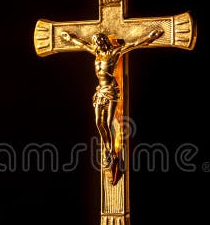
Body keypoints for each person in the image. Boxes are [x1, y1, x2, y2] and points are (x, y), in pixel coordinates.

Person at [60, 29, 163, 183]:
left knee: (108, 122)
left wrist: (149, 37)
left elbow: (133, 44)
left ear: (103, 41)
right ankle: (108, 148)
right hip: (100, 90)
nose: (96, 44)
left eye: (98, 42)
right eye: (95, 43)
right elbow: (82, 44)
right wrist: (70, 38)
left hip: (111, 90)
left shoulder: (114, 53)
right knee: (98, 122)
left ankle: (111, 152)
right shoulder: (96, 52)